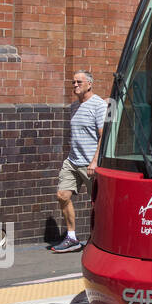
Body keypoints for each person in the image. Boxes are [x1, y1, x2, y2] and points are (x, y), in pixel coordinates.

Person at [50, 70, 106, 252]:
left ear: (89, 84)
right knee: (62, 195)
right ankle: (72, 238)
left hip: (90, 163)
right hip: (72, 161)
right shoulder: (74, 107)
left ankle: (99, 239)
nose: (75, 85)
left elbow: (102, 136)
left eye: (79, 82)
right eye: (73, 82)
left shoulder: (99, 105)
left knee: (98, 204)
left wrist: (95, 161)